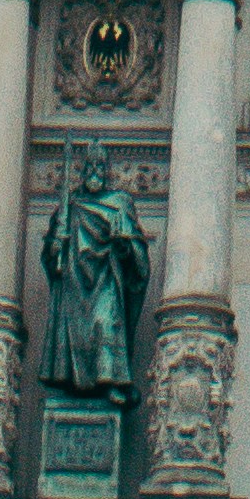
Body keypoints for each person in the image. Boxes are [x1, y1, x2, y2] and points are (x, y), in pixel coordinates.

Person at [41, 154, 148, 400]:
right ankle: (68, 382)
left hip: (106, 278)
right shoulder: (68, 206)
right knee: (75, 328)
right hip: (73, 283)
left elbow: (137, 253)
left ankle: (109, 380)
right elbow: (50, 253)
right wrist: (54, 248)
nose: (94, 172)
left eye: (100, 166)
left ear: (107, 172)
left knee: (105, 322)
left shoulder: (120, 203)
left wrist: (124, 245)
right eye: (89, 166)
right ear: (83, 170)